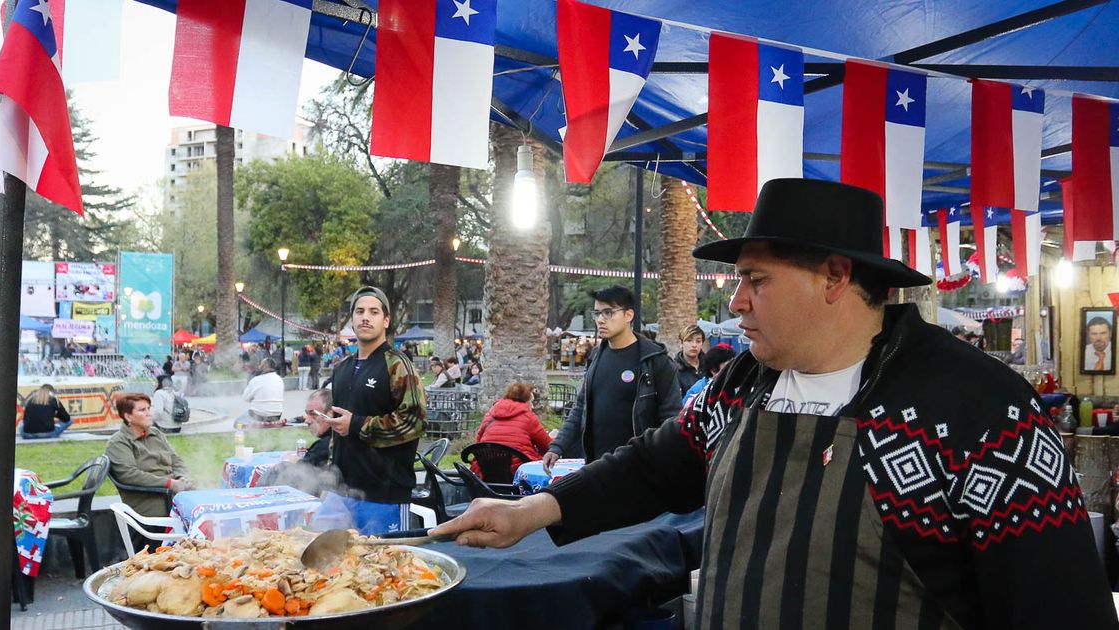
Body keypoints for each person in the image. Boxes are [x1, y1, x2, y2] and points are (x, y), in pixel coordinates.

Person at [433, 179, 1118, 629]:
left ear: (835, 277)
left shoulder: (979, 409)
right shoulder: (741, 385)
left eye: (755, 280)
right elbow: (656, 466)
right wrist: (531, 511)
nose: (734, 303)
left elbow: (1061, 612)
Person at [543, 285, 679, 471]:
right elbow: (580, 407)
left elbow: (671, 417)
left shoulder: (655, 360)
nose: (601, 319)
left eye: (608, 312)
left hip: (640, 468)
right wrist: (557, 446)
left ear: (629, 315)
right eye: (597, 313)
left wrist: (663, 461)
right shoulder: (596, 356)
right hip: (596, 466)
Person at [325, 286, 425, 535]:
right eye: (359, 312)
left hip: (384, 495)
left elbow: (414, 421)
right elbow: (338, 428)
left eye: (373, 312)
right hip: (340, 494)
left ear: (386, 320)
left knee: (384, 569)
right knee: (328, 567)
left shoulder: (398, 365)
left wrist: (357, 425)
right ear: (352, 320)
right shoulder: (341, 369)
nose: (365, 317)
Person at [105, 393, 194, 517]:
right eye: (142, 410)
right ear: (128, 417)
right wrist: (169, 483)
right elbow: (130, 475)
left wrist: (181, 477)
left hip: (172, 492)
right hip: (148, 499)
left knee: (208, 503)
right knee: (195, 512)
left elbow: (176, 460)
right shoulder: (119, 442)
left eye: (149, 408)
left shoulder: (156, 434)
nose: (149, 413)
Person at [473, 383, 552, 477]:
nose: (532, 406)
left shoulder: (490, 415)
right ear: (525, 401)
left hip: (486, 470)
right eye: (531, 401)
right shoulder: (529, 417)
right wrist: (554, 437)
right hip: (519, 470)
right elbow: (547, 446)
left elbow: (478, 442)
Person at [239, 358, 285, 428]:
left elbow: (245, 398)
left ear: (265, 365)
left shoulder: (256, 380)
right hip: (277, 415)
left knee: (238, 422)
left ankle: (242, 436)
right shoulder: (279, 379)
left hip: (259, 414)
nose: (259, 366)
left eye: (261, 364)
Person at [671, 324, 707, 395]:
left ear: (702, 344)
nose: (694, 345)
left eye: (698, 341)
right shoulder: (673, 369)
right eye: (689, 340)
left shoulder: (710, 365)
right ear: (681, 343)